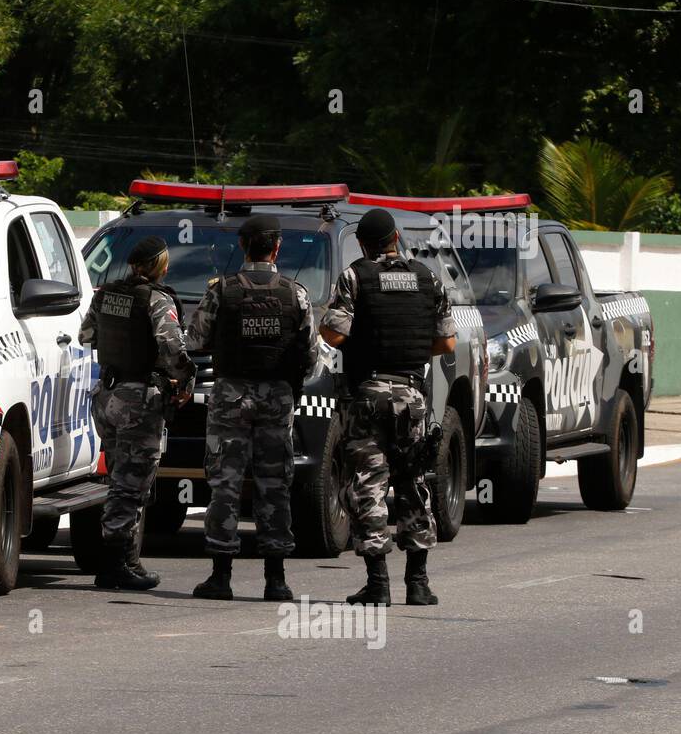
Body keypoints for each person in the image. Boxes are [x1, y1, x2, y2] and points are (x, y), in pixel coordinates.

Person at [319, 207, 457, 606]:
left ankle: (378, 584)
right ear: (396, 237)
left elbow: (333, 334)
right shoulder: (427, 277)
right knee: (413, 483)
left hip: (368, 395)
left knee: (368, 484)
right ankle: (418, 583)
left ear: (362, 244)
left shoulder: (355, 276)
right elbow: (446, 343)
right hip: (412, 394)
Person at [186, 215, 315, 600]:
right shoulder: (296, 294)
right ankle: (276, 580)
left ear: (243, 247)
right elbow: (312, 357)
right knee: (274, 485)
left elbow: (194, 341)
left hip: (230, 397)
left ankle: (221, 576)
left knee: (225, 484)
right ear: (276, 248)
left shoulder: (221, 291)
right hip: (277, 398)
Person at [80, 235, 195, 590]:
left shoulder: (105, 295)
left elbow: (86, 335)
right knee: (131, 485)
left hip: (108, 397)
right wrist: (184, 380)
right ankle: (115, 564)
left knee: (119, 478)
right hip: (139, 401)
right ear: (159, 265)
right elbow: (173, 348)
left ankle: (125, 560)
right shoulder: (156, 300)